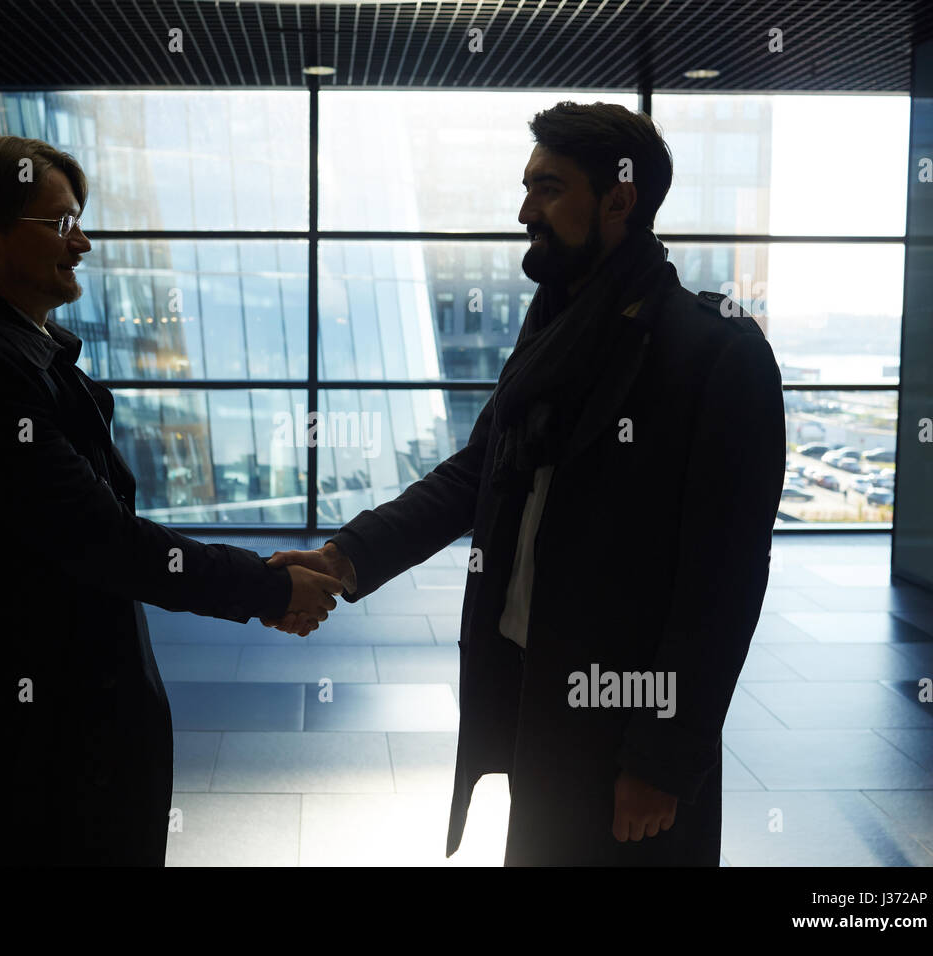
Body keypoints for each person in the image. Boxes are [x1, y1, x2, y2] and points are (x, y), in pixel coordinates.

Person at [265, 102, 786, 866]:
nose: (524, 211)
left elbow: (725, 585)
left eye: (548, 188)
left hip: (625, 721)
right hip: (535, 698)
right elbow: (480, 471)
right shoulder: (554, 329)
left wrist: (661, 761)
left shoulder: (716, 354)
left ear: (619, 198)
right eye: (527, 187)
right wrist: (346, 557)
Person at [0, 135, 343, 866]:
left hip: (51, 732)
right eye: (60, 223)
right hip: (19, 748)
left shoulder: (24, 353)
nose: (84, 242)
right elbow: (100, 538)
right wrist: (266, 586)